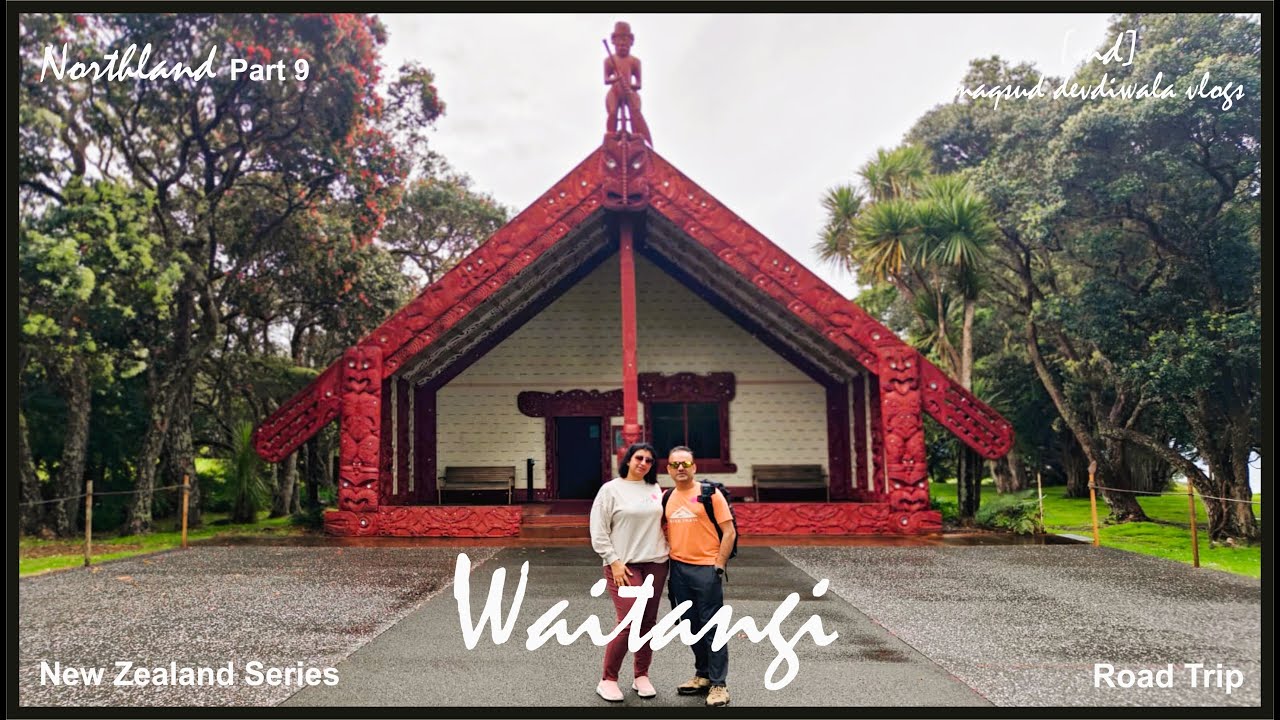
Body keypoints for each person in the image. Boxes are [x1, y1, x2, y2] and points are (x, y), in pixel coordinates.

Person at [589, 441, 670, 702]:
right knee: (629, 620)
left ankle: (641, 675)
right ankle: (608, 679)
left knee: (647, 622)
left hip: (656, 563)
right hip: (624, 565)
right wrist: (612, 560)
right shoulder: (610, 490)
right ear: (627, 460)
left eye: (648, 460)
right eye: (639, 458)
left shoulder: (655, 489)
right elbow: (598, 531)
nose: (643, 463)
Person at [663, 446, 735, 707]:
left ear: (694, 466)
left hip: (706, 568)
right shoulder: (667, 497)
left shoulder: (709, 494)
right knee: (690, 626)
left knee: (713, 628)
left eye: (685, 463)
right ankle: (702, 674)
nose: (680, 468)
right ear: (668, 469)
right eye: (674, 464)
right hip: (679, 569)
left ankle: (719, 684)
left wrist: (719, 564)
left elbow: (729, 531)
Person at [604, 21, 652, 146]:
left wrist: (630, 87)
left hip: (630, 92)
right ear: (614, 41)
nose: (622, 43)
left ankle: (637, 136)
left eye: (625, 39)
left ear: (631, 42)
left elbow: (639, 84)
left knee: (635, 112)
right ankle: (611, 135)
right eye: (619, 39)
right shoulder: (609, 60)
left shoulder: (635, 61)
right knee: (613, 112)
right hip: (615, 92)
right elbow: (606, 80)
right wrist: (616, 80)